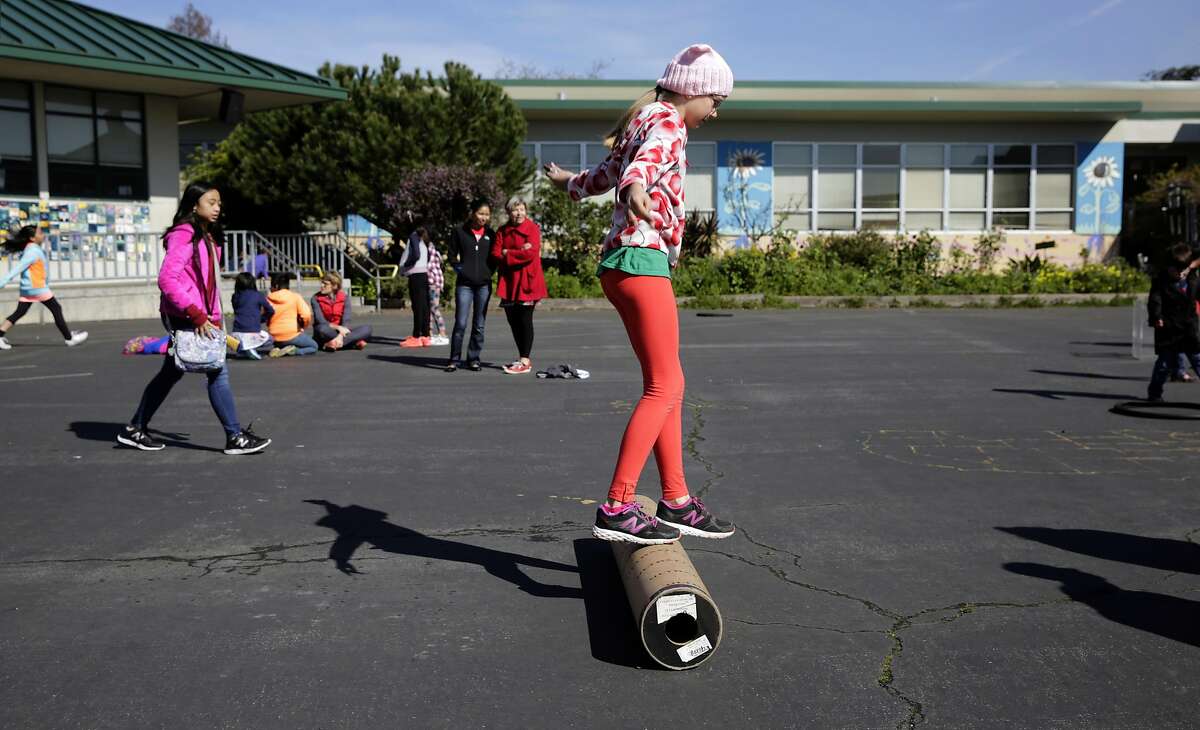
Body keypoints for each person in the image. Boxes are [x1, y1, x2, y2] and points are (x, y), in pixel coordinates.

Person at [545, 44, 735, 544]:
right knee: (666, 386)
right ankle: (617, 505)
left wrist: (569, 181)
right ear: (693, 92)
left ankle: (675, 500)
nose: (715, 112)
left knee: (666, 381)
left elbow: (603, 175)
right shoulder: (667, 123)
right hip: (641, 259)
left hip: (622, 263)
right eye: (715, 100)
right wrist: (634, 189)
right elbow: (634, 174)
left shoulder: (642, 122)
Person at [118, 182, 270, 455]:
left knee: (172, 372)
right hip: (187, 314)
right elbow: (167, 279)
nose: (217, 207)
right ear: (193, 205)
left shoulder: (205, 236)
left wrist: (210, 315)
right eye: (211, 202)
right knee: (217, 370)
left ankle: (135, 428)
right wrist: (197, 315)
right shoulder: (184, 235)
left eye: (219, 203)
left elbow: (204, 281)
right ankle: (234, 436)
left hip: (199, 315)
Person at [0, 225, 88, 350]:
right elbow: (18, 268)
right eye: (40, 233)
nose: (43, 235)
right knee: (56, 308)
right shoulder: (32, 251)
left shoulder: (30, 249)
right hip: (37, 288)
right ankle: (69, 338)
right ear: (32, 238)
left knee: (20, 312)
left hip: (28, 288)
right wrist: (3, 282)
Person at [492, 197, 547, 375]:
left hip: (527, 281)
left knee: (525, 320)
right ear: (508, 212)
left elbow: (531, 253)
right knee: (512, 320)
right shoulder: (502, 230)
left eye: (522, 209)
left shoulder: (532, 228)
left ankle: (525, 359)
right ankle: (521, 357)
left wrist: (508, 253)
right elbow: (495, 253)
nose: (519, 213)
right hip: (508, 282)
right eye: (515, 210)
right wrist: (518, 252)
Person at [445, 200, 496, 372]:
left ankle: (473, 358)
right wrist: (461, 269)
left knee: (479, 324)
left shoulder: (491, 234)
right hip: (464, 285)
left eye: (487, 214)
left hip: (484, 285)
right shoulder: (459, 231)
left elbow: (494, 257)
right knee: (460, 323)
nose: (484, 217)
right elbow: (451, 255)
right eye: (481, 213)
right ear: (473, 213)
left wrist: (488, 272)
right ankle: (454, 359)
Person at [1147, 243, 1200, 402]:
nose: (1180, 272)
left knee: (1197, 359)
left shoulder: (1192, 277)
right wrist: (1157, 317)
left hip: (1188, 326)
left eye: (1184, 267)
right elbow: (1155, 299)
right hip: (1169, 326)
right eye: (1177, 268)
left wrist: (1191, 266)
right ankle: (1155, 393)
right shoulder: (1162, 279)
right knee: (1164, 364)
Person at [311, 271, 371, 351]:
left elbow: (346, 320)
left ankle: (334, 343)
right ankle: (351, 343)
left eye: (325, 284)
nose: (322, 286)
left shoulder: (344, 297)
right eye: (322, 283)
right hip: (326, 331)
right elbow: (320, 321)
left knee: (367, 329)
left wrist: (340, 335)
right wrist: (338, 328)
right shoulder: (315, 298)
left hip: (341, 332)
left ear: (335, 286)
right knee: (322, 329)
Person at [266, 272, 317, 357]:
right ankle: (295, 351)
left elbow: (265, 315)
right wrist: (303, 326)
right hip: (291, 335)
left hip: (274, 337)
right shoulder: (295, 297)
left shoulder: (268, 299)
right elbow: (306, 314)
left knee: (283, 343)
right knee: (313, 346)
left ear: (275, 286)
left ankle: (278, 348)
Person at [398, 228, 432, 348]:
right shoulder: (425, 238)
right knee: (424, 306)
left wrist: (406, 265)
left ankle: (416, 336)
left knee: (417, 306)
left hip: (415, 274)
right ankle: (425, 335)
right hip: (423, 273)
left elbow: (416, 254)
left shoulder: (414, 235)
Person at [229, 272, 274, 360]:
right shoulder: (258, 295)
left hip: (236, 334)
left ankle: (243, 350)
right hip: (252, 333)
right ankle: (249, 348)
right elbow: (270, 310)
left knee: (242, 340)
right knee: (270, 340)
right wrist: (261, 319)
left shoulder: (235, 297)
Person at [427, 241, 450, 346]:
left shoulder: (429, 253)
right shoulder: (436, 253)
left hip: (432, 283)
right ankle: (430, 332)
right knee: (431, 309)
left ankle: (442, 332)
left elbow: (428, 267)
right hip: (438, 284)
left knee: (434, 309)